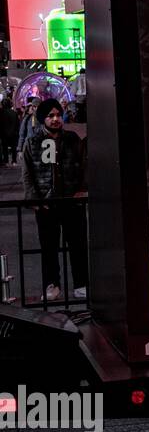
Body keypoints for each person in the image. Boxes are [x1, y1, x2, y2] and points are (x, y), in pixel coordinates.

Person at [20, 98, 88, 301]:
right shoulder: (32, 142)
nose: (56, 119)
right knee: (48, 247)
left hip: (71, 201)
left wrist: (82, 190)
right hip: (46, 204)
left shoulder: (73, 139)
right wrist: (34, 199)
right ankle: (52, 285)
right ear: (43, 119)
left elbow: (84, 166)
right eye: (51, 116)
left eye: (58, 114)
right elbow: (27, 173)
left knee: (77, 245)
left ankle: (81, 284)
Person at [0, 98, 19, 165]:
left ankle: (6, 161)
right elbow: (17, 124)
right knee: (13, 148)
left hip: (3, 133)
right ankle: (14, 161)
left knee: (4, 148)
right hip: (13, 133)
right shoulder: (14, 113)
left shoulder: (1, 112)